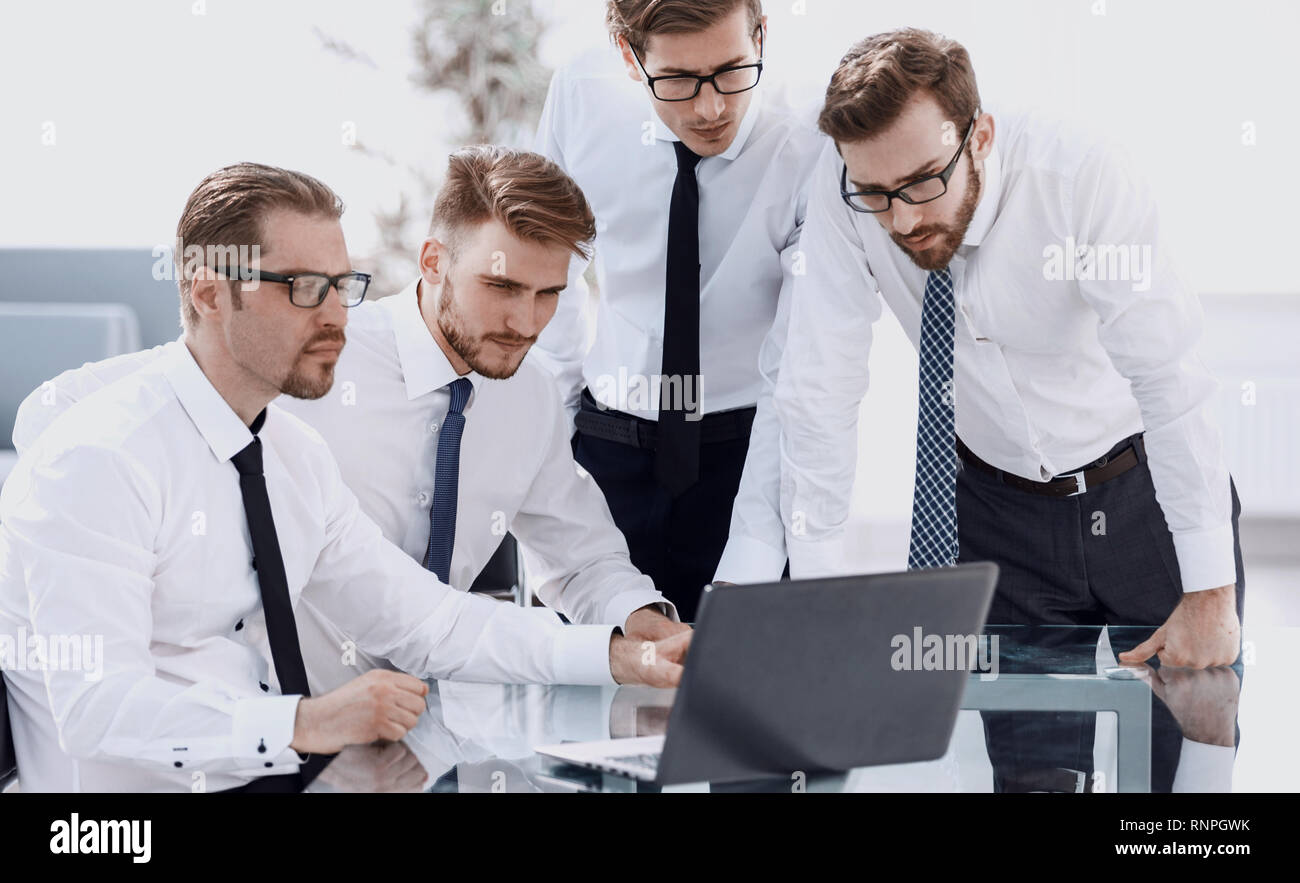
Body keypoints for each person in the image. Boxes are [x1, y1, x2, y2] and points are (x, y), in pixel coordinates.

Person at [0, 163, 688, 793]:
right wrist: (307, 722)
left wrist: (620, 655)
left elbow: (432, 619)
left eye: (342, 286)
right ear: (210, 292)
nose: (335, 315)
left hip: (320, 765)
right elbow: (94, 706)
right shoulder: (100, 456)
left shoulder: (293, 455)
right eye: (304, 288)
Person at [768, 28, 1243, 790]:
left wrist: (1210, 592)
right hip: (1000, 512)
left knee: (1181, 777)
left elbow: (1170, 376)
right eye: (877, 195)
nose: (900, 220)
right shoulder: (847, 191)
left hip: (1141, 498)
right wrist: (821, 600)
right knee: (1032, 780)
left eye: (922, 182)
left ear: (978, 135)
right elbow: (819, 392)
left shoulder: (1080, 175)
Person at [528, 0, 825, 620]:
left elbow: (801, 367)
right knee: (591, 700)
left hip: (748, 456)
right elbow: (549, 270)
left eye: (732, 70)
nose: (711, 107)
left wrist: (752, 556)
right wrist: (555, 447)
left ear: (762, 33)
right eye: (679, 81)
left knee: (746, 702)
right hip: (606, 448)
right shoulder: (582, 93)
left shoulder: (810, 131)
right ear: (628, 57)